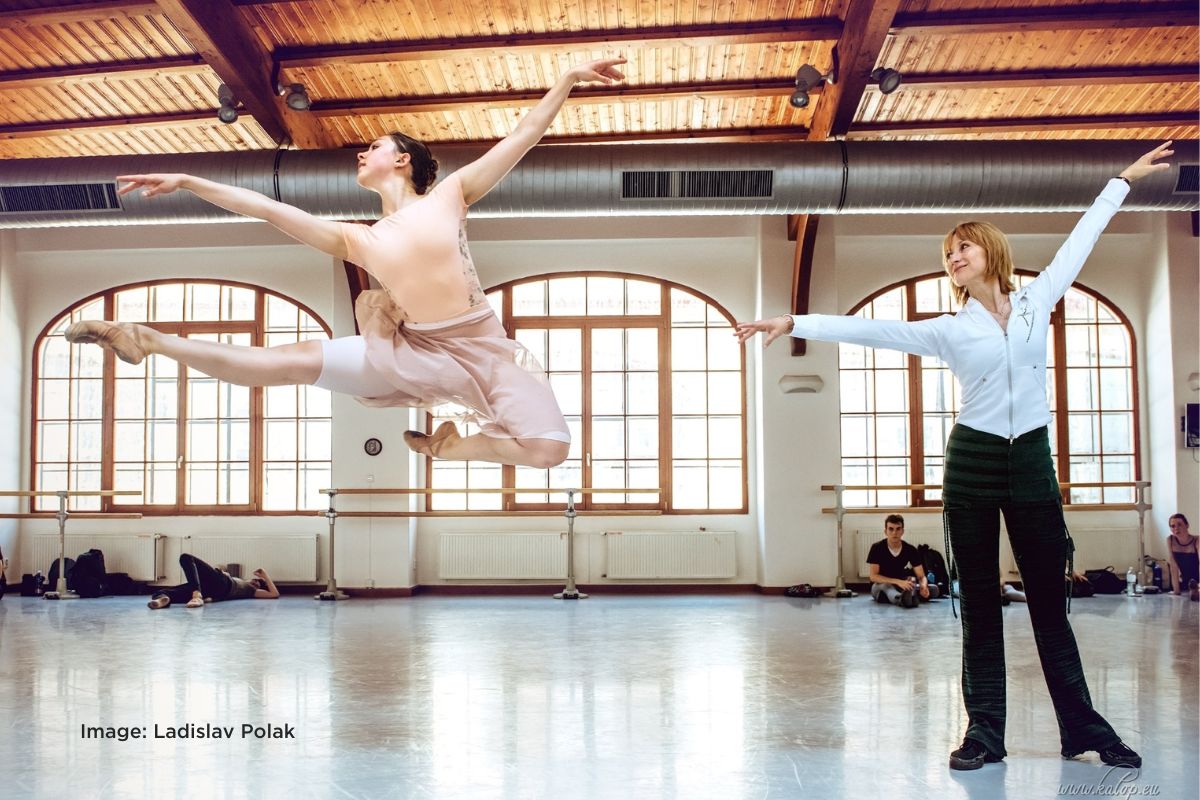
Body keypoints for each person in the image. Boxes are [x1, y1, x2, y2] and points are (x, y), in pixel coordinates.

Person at [736, 142, 1172, 771]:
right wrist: (793, 321)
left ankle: (1083, 728)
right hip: (971, 461)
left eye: (962, 248)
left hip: (1032, 463)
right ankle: (984, 735)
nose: (953, 258)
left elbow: (1084, 236)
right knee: (978, 603)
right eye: (947, 254)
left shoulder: (1036, 300)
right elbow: (872, 331)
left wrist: (1123, 181)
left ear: (989, 250)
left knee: (1052, 602)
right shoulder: (948, 327)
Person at [65, 57, 628, 469]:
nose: (362, 153)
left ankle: (450, 447)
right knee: (277, 364)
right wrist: (190, 179)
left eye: (375, 147)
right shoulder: (358, 238)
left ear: (403, 160)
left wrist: (567, 80)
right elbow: (267, 207)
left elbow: (525, 135)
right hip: (413, 349)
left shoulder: (450, 196)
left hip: (484, 348)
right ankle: (142, 337)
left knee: (549, 449)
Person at [148, 554, 279, 609]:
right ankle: (162, 601)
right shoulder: (240, 581)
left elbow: (274, 594)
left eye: (258, 584)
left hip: (221, 585)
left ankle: (197, 595)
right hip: (208, 590)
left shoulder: (252, 591)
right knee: (161, 592)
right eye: (255, 580)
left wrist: (265, 576)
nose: (256, 582)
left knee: (186, 557)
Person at [867, 514, 940, 607]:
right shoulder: (877, 548)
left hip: (901, 584)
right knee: (887, 587)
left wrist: (923, 586)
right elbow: (873, 577)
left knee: (933, 589)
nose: (894, 533)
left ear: (902, 531)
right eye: (891, 529)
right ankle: (902, 599)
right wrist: (897, 581)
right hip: (881, 585)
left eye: (898, 529)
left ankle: (911, 596)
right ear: (885, 531)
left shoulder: (910, 549)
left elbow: (921, 576)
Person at [1166, 513, 1198, 599]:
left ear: (1187, 525)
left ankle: (1196, 590)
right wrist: (1176, 591)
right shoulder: (1170, 540)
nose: (1176, 528)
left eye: (1179, 525)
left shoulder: (1197, 540)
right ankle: (1193, 590)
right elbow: (1173, 566)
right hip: (1186, 582)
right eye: (1173, 526)